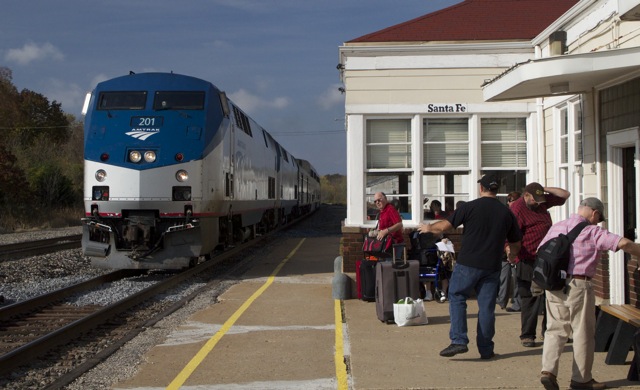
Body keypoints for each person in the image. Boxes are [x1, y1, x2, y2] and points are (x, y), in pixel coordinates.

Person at [538, 197, 640, 390]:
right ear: (594, 213)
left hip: (554, 284)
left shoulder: (558, 226)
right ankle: (581, 380)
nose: (598, 222)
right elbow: (624, 244)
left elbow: (540, 250)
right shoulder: (592, 231)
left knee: (555, 330)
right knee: (582, 333)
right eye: (599, 218)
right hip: (579, 284)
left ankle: (548, 371)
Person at [418, 174, 521, 359]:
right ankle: (486, 349)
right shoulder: (507, 213)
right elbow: (516, 242)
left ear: (481, 188)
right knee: (487, 307)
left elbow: (444, 226)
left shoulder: (470, 207)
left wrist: (427, 228)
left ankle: (459, 340)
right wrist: (512, 254)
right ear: (496, 190)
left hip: (468, 263)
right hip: (492, 265)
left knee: (457, 296)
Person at [510, 182, 570, 348]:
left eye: (540, 199)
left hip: (547, 258)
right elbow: (511, 234)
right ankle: (528, 335)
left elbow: (565, 194)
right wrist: (512, 254)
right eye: (534, 199)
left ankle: (550, 331)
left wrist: (544, 190)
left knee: (551, 294)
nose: (538, 202)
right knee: (530, 297)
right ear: (526, 195)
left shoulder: (541, 202)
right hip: (527, 258)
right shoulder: (517, 209)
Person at [497, 191, 522, 311]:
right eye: (508, 200)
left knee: (517, 279)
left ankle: (517, 304)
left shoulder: (520, 214)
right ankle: (502, 301)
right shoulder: (505, 213)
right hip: (503, 251)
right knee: (504, 278)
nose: (508, 202)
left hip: (517, 252)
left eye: (511, 199)